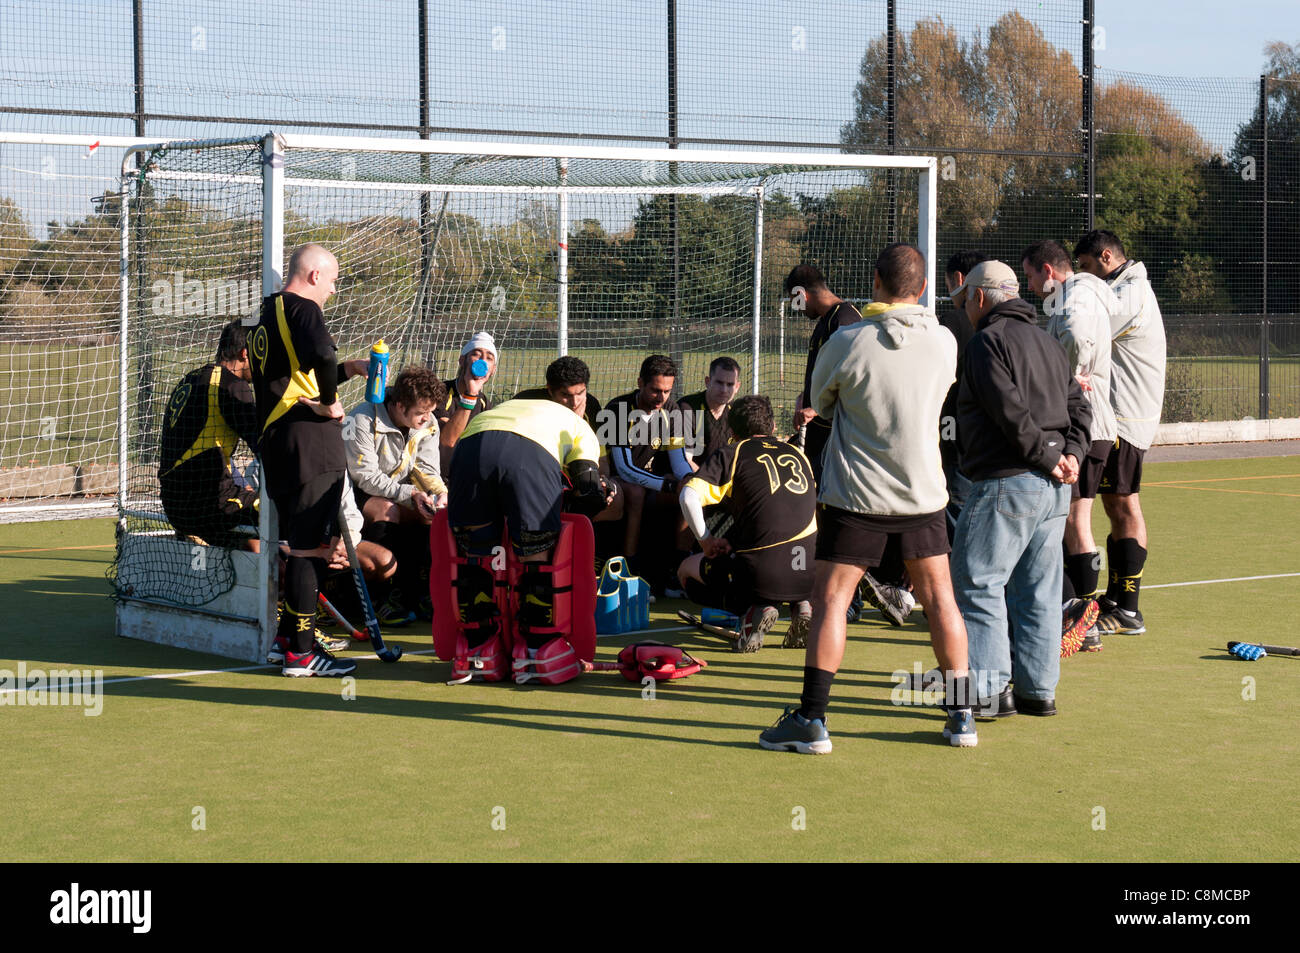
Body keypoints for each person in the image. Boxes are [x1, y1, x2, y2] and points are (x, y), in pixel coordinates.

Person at [760, 243, 978, 753]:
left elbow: (818, 404)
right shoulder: (945, 342)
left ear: (875, 281)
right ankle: (962, 717)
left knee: (831, 600)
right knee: (942, 600)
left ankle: (812, 720)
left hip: (857, 495)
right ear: (923, 288)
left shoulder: (846, 340)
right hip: (923, 493)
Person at [948, 260, 1092, 721]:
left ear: (980, 297)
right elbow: (1079, 406)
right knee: (1038, 590)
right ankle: (1037, 691)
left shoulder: (986, 342)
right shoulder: (1048, 342)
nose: (964, 309)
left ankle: (990, 693)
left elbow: (1007, 411)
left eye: (965, 299)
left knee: (978, 584)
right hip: (1053, 488)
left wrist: (1052, 456)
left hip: (1008, 480)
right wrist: (1069, 454)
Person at [248, 243, 366, 677]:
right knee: (312, 547)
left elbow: (299, 374)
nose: (333, 291)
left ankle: (287, 640)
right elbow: (322, 355)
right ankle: (301, 651)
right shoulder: (304, 308)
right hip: (310, 445)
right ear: (315, 275)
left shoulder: (267, 313)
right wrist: (332, 404)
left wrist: (348, 371)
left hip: (277, 441)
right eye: (333, 281)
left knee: (298, 542)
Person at [446, 397, 614, 682]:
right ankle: (537, 651)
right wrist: (606, 489)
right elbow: (587, 488)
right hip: (527, 455)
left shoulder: (507, 407)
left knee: (475, 555)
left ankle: (476, 649)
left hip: (469, 448)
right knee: (537, 553)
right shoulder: (580, 427)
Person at [1022, 239, 1119, 654]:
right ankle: (1079, 614)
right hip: (1092, 424)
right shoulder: (1087, 293)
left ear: (1047, 270)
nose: (1028, 285)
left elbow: (1077, 337)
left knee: (1073, 522)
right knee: (1075, 520)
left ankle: (1081, 619)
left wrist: (1067, 373)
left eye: (1029, 275)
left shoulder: (1075, 297)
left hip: (1082, 424)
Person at [1075, 229, 1167, 637]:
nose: (1083, 276)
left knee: (1124, 505)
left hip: (1125, 419)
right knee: (1116, 506)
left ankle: (1129, 609)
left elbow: (1087, 332)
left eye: (1086, 267)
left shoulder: (1130, 293)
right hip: (1119, 418)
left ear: (1107, 257)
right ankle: (1115, 599)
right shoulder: (1123, 288)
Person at [676, 395, 816, 652]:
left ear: (731, 430)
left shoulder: (732, 453)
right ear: (773, 427)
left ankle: (754, 610)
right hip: (809, 573)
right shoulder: (799, 455)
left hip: (763, 574)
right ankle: (801, 605)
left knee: (686, 570)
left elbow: (688, 496)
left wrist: (706, 541)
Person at [344, 364, 448, 626]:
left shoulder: (429, 422)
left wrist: (439, 493)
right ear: (399, 405)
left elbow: (426, 469)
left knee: (430, 513)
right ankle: (383, 598)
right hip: (353, 495)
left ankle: (418, 592)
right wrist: (409, 493)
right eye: (421, 414)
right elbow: (364, 476)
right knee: (386, 509)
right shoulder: (362, 419)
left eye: (430, 412)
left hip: (399, 492)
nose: (428, 419)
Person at [158, 320, 261, 551]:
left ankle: (245, 551)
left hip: (174, 504)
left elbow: (203, 447)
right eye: (261, 352)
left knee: (255, 544)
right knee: (284, 514)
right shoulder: (231, 386)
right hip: (209, 504)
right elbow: (264, 447)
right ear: (245, 353)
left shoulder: (190, 380)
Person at [600, 354, 693, 590]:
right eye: (655, 390)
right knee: (637, 492)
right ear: (640, 382)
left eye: (667, 391)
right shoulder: (617, 409)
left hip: (651, 480)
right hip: (617, 480)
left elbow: (680, 461)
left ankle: (679, 567)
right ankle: (630, 567)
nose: (661, 397)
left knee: (690, 490)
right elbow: (623, 467)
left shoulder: (673, 409)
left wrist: (687, 482)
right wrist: (670, 485)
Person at [514, 355, 622, 522]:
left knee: (615, 498)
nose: (574, 402)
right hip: (534, 480)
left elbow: (602, 462)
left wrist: (600, 480)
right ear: (550, 390)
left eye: (580, 393)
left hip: (574, 479)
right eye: (566, 395)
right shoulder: (527, 401)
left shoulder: (591, 405)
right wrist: (573, 422)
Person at [939, 249, 987, 541]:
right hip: (993, 445)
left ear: (958, 279)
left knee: (959, 521)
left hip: (956, 441)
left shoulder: (951, 322)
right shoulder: (1009, 324)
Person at [436, 331, 497, 481]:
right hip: (438, 477)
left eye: (489, 358)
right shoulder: (440, 391)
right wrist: (470, 395)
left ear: (492, 370)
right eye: (476, 354)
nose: (482, 360)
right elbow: (447, 441)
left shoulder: (484, 404)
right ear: (462, 360)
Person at [678, 356, 740, 468]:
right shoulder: (687, 408)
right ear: (707, 381)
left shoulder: (737, 411)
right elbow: (684, 462)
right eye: (719, 383)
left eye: (730, 384)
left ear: (737, 387)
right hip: (687, 478)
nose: (724, 390)